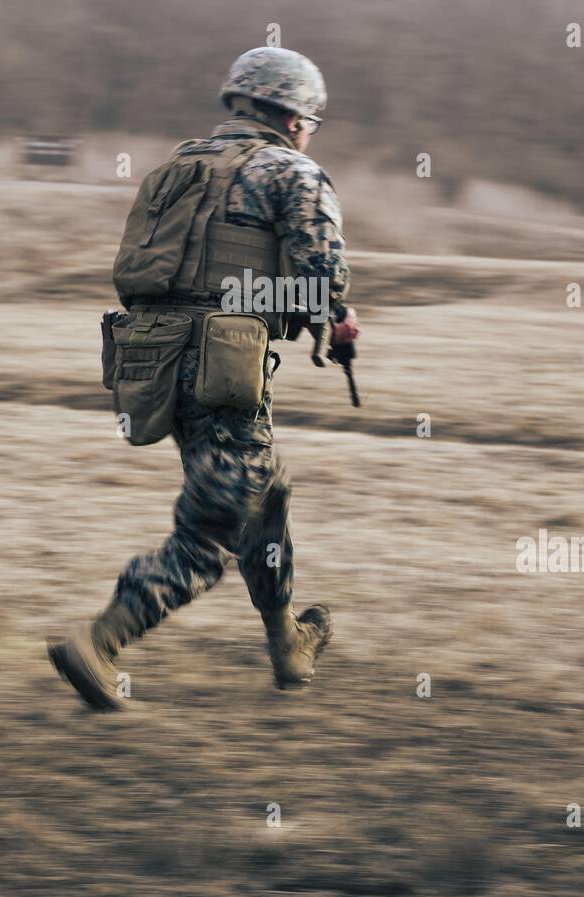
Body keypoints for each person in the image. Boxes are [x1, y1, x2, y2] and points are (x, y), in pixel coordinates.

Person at [48, 46, 359, 710]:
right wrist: (334, 320)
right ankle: (99, 643)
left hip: (152, 362)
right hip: (223, 369)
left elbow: (149, 275)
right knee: (213, 530)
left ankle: (286, 642)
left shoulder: (174, 167)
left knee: (263, 493)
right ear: (295, 116)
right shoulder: (294, 172)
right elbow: (318, 280)